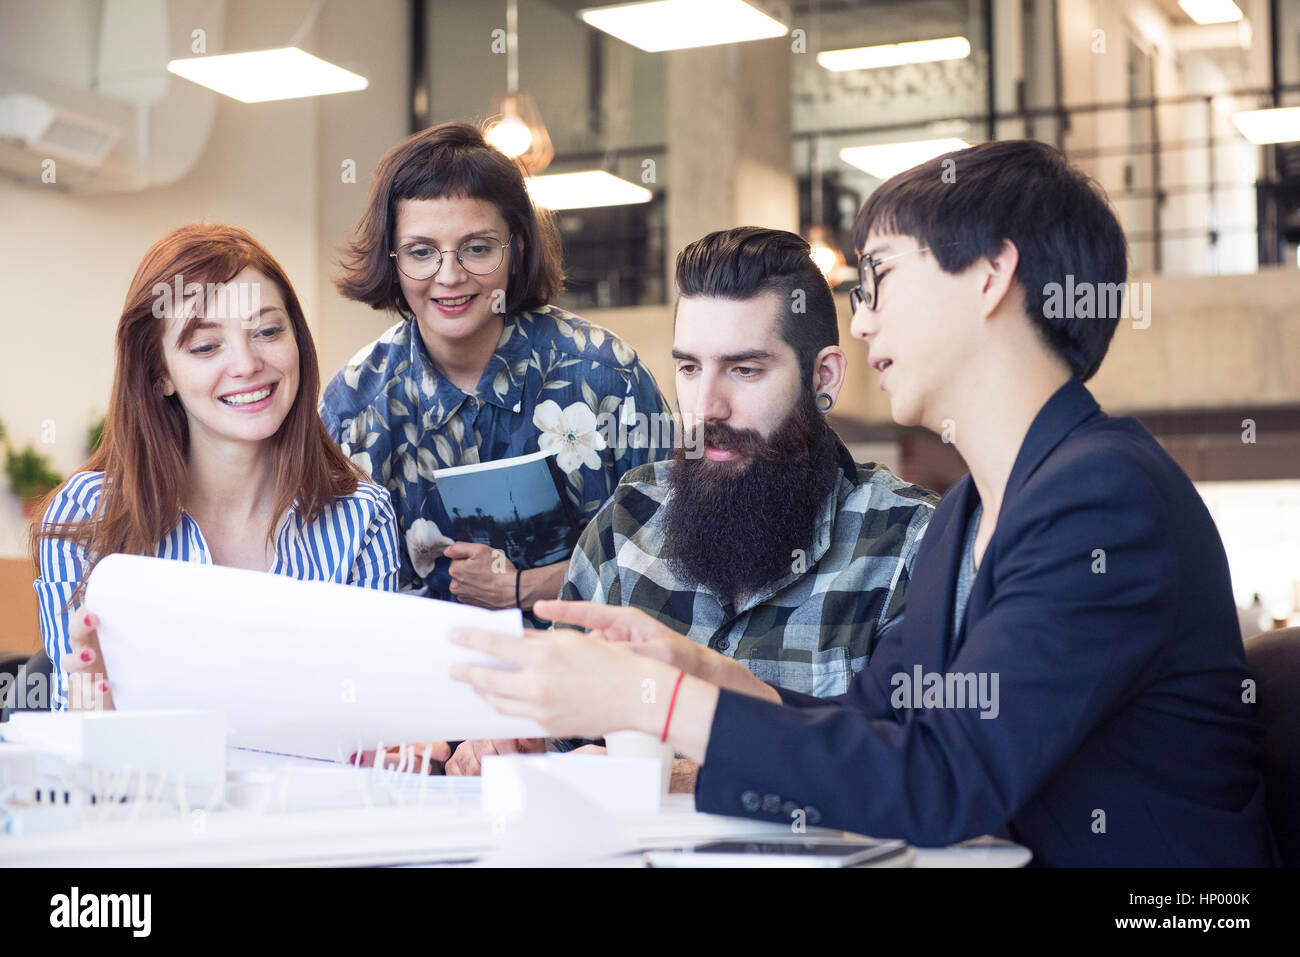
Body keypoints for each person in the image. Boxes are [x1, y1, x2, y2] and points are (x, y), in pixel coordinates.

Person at [449, 140, 1279, 866]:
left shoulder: (1104, 498)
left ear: (993, 274)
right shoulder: (968, 514)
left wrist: (645, 702)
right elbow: (875, 721)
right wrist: (699, 669)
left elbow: (943, 778)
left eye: (879, 276)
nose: (863, 318)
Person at [441, 228, 936, 777]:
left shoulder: (908, 545)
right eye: (689, 368)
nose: (705, 409)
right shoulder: (630, 521)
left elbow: (920, 781)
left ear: (823, 376)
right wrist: (512, 744)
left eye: (744, 370)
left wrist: (672, 778)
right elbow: (556, 733)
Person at [35, 224, 399, 711]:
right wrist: (93, 719)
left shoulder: (362, 516)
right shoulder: (87, 517)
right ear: (159, 373)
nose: (247, 364)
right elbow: (75, 736)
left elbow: (368, 717)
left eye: (267, 331)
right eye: (206, 346)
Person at [321, 122, 672, 616]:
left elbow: (679, 557)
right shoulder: (353, 404)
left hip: (593, 677)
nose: (449, 276)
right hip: (418, 682)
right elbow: (334, 593)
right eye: (422, 252)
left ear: (518, 248)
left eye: (478, 248)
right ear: (392, 258)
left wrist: (529, 586)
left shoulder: (610, 379)